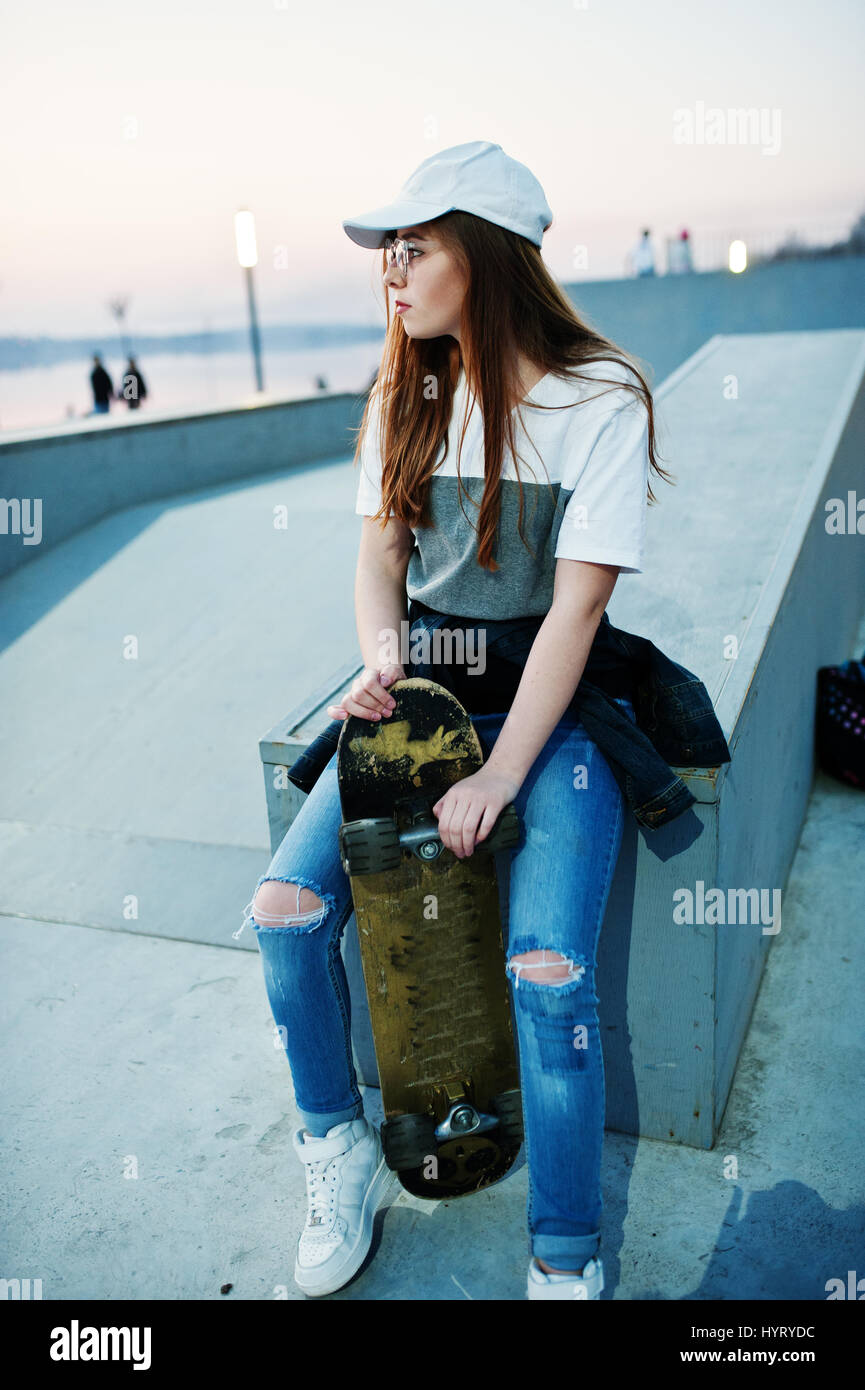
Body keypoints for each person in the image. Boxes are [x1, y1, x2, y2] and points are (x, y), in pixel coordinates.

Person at [240, 141, 679, 1301]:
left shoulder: (599, 400)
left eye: (414, 246)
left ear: (482, 258)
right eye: (386, 250)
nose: (390, 270)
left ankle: (565, 1256)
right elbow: (379, 562)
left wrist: (498, 778)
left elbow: (577, 614)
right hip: (421, 701)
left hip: (552, 700)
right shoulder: (406, 391)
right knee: (284, 913)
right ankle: (337, 1153)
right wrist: (383, 666)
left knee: (546, 974)